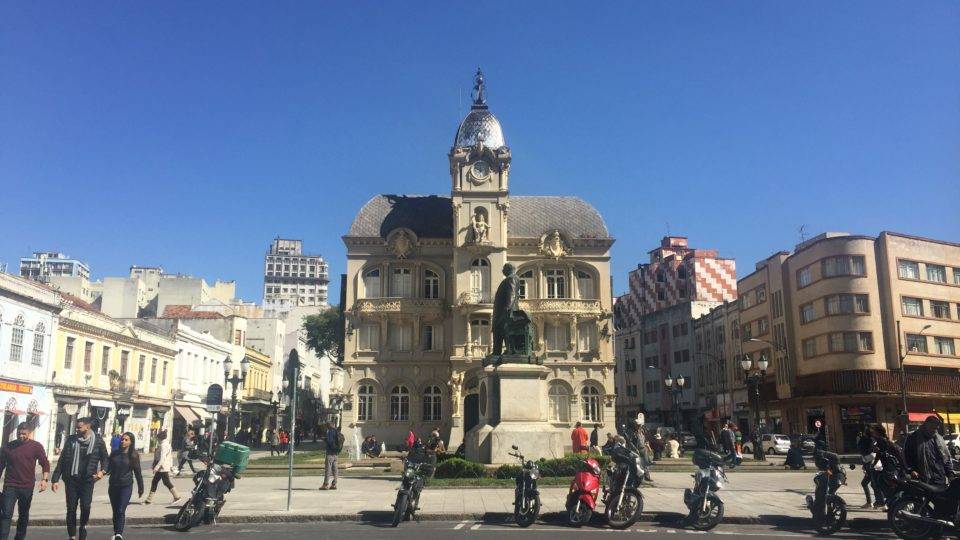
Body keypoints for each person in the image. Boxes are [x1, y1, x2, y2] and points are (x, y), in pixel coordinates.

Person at [51, 417, 108, 540]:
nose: (76, 429)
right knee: (71, 508)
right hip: (71, 479)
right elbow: (62, 460)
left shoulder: (98, 441)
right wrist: (55, 479)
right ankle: (72, 535)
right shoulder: (71, 440)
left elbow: (105, 459)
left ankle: (83, 526)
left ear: (87, 427)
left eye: (79, 427)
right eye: (76, 427)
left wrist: (102, 472)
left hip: (87, 480)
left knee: (86, 506)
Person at [0, 422, 50, 540]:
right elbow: (1, 465)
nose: (21, 436)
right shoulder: (8, 446)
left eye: (24, 434)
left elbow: (45, 463)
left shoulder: (36, 446)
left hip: (27, 486)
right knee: (6, 514)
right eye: (19, 433)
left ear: (30, 433)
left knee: (23, 515)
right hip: (10, 485)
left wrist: (44, 480)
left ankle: (20, 537)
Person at [105, 432, 143, 540]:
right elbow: (108, 468)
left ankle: (119, 534)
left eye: (126, 440)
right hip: (113, 485)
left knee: (121, 509)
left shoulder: (133, 456)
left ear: (131, 442)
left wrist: (141, 488)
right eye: (122, 439)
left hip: (126, 486)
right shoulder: (114, 454)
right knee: (115, 510)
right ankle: (116, 531)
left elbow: (138, 473)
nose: (123, 441)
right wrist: (101, 473)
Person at [904, 415, 953, 486]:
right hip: (922, 479)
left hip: (939, 479)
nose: (935, 430)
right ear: (926, 425)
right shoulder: (913, 438)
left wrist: (950, 474)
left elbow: (946, 458)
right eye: (932, 428)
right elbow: (907, 456)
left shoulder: (939, 438)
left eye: (936, 428)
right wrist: (911, 470)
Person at [144, 430, 180, 504]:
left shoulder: (164, 446)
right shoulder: (164, 444)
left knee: (161, 482)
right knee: (161, 482)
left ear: (160, 438)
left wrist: (156, 467)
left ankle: (177, 497)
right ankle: (149, 500)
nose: (157, 439)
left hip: (163, 467)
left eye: (158, 438)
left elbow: (162, 458)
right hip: (163, 467)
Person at [320, 422, 342, 490]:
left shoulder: (330, 432)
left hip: (330, 453)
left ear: (329, 426)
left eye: (327, 426)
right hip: (336, 453)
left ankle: (325, 484)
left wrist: (325, 439)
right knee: (335, 469)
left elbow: (329, 441)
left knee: (328, 469)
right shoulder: (337, 431)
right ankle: (334, 484)